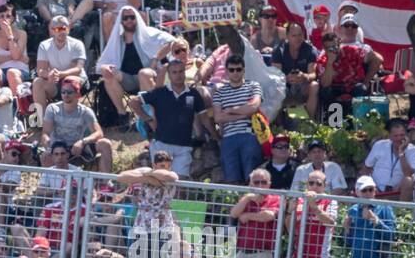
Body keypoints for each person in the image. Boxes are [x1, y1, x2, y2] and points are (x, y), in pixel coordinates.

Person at [108, 162, 180, 258]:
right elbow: (121, 176)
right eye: (158, 162)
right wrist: (147, 178)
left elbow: (170, 176)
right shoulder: (145, 178)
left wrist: (146, 175)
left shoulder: (167, 186)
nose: (137, 196)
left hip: (159, 236)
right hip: (140, 235)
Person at [129, 41, 203, 178]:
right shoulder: (162, 87)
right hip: (162, 142)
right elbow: (133, 102)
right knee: (160, 180)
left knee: (180, 183)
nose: (180, 53)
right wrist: (149, 119)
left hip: (184, 144)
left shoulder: (194, 85)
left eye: (183, 49)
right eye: (176, 51)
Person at [97, 5, 171, 122]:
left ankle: (152, 115)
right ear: (121, 22)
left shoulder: (148, 34)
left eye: (132, 17)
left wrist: (156, 59)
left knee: (143, 73)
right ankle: (122, 115)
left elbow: (172, 42)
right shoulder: (117, 41)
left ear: (136, 19)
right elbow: (101, 63)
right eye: (126, 18)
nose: (129, 20)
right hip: (127, 80)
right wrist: (105, 67)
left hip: (148, 76)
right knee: (108, 74)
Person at [229, 169, 279, 258]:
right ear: (250, 184)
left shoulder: (275, 198)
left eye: (263, 182)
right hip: (242, 253)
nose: (260, 185)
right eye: (256, 182)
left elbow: (269, 215)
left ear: (269, 184)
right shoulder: (246, 199)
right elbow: (234, 213)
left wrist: (248, 216)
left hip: (262, 254)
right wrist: (246, 199)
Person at [342, 175, 395, 258]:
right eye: (364, 190)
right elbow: (348, 242)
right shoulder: (353, 210)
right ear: (357, 192)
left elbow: (391, 235)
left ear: (375, 191)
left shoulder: (384, 208)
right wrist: (347, 229)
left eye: (370, 190)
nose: (368, 194)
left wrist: (376, 221)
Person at [212, 54, 264, 185]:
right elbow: (218, 117)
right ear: (227, 71)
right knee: (231, 180)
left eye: (238, 69)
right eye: (232, 69)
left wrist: (230, 110)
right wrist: (243, 113)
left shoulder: (253, 85)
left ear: (244, 70)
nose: (235, 72)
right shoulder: (219, 92)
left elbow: (254, 106)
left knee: (252, 178)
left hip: (249, 134)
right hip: (229, 137)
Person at [43, 75, 111, 170]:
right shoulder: (52, 109)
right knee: (46, 156)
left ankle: (106, 182)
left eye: (69, 92)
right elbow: (45, 133)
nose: (65, 95)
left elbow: (99, 133)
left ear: (77, 94)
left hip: (77, 149)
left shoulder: (85, 111)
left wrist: (82, 142)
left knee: (105, 144)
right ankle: (51, 183)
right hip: (58, 148)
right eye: (63, 92)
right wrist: (48, 146)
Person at [272, 21, 320, 120]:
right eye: (294, 35)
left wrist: (304, 76)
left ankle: (309, 122)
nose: (298, 38)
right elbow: (275, 76)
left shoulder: (310, 50)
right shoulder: (279, 50)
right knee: (274, 87)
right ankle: (279, 126)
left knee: (315, 86)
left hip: (303, 86)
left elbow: (313, 74)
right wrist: (287, 78)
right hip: (285, 87)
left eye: (300, 35)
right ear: (287, 36)